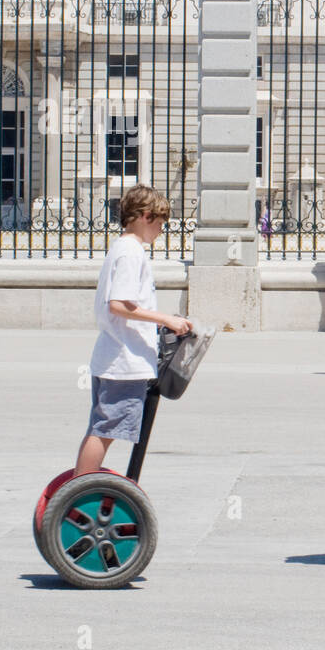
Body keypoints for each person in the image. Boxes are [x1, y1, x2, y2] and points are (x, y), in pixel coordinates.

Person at [75, 185, 191, 476]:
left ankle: (77, 490)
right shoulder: (131, 253)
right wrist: (166, 320)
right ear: (145, 216)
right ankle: (79, 494)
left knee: (101, 428)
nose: (161, 231)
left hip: (117, 357)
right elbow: (119, 305)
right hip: (123, 361)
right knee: (105, 430)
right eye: (161, 223)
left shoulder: (123, 248)